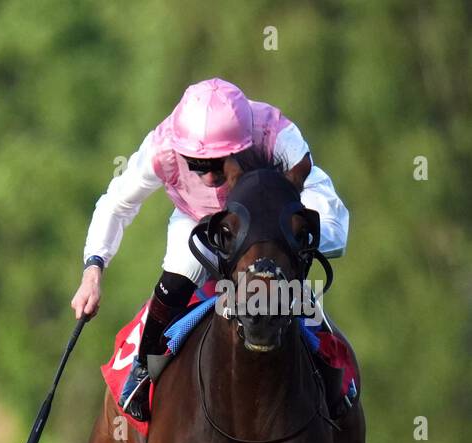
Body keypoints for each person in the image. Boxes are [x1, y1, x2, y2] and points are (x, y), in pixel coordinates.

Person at [72, 77, 349, 421]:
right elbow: (116, 205)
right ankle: (144, 368)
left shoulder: (276, 135)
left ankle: (330, 371)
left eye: (217, 164)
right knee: (178, 277)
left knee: (285, 281)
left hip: (264, 225)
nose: (207, 178)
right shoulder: (162, 149)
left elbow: (327, 214)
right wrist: (93, 269)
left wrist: (298, 237)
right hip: (198, 221)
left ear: (242, 146)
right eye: (196, 165)